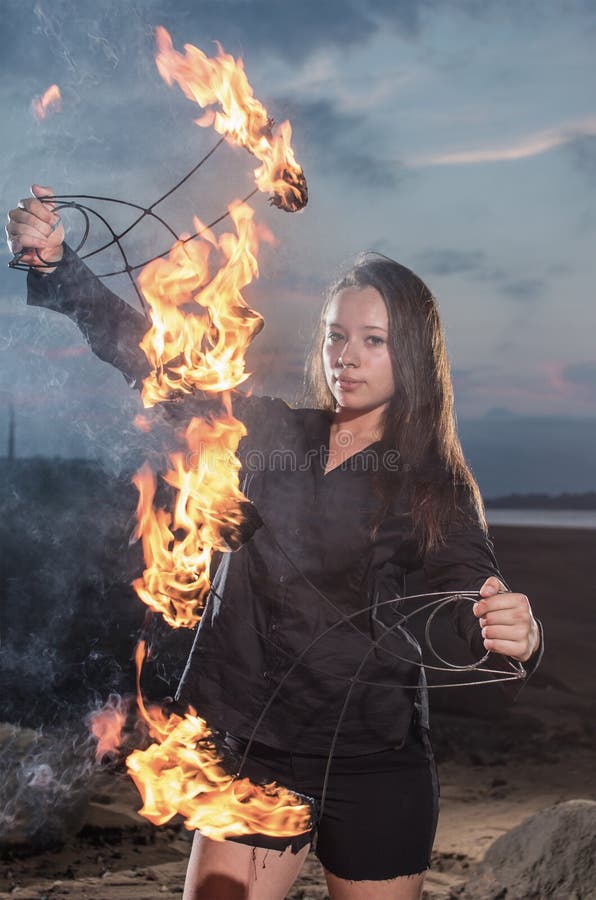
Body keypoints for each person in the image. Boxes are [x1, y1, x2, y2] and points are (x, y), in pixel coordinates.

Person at [6, 186, 543, 900]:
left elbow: (468, 588)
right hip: (251, 748)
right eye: (336, 335)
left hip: (375, 760)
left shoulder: (432, 482)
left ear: (413, 353)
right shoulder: (268, 433)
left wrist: (515, 631)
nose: (347, 356)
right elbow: (155, 360)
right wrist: (59, 268)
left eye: (374, 340)